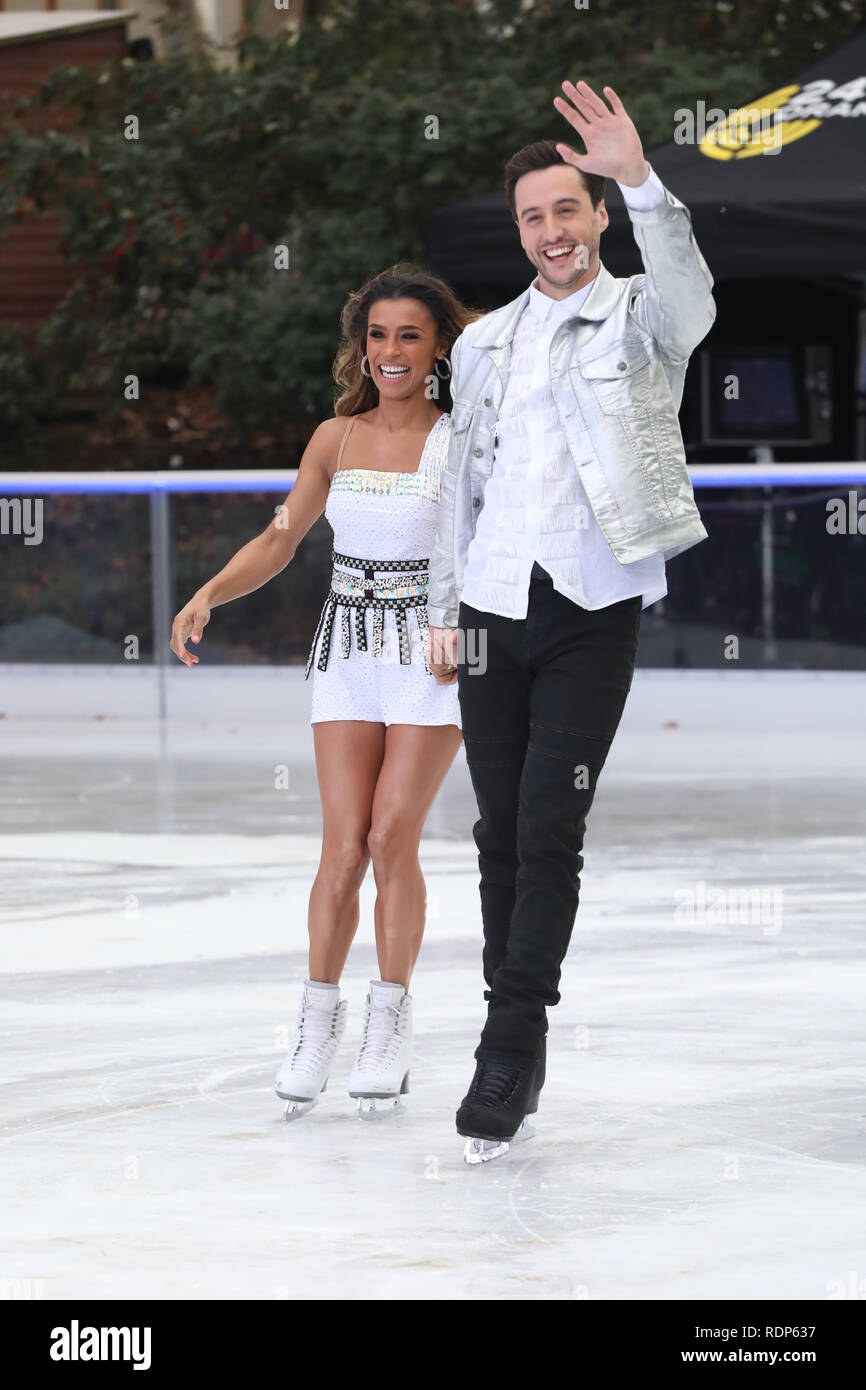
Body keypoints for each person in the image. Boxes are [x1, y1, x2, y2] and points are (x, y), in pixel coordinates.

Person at [427, 80, 715, 1162]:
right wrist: (443, 608)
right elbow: (462, 483)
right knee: (499, 830)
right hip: (494, 604)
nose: (550, 231)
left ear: (595, 215)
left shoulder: (640, 317)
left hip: (594, 603)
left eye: (566, 209)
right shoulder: (484, 342)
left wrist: (639, 173)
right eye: (531, 217)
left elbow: (692, 298)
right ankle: (519, 1035)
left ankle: (506, 1041)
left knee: (549, 822)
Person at [170, 265, 480, 1120]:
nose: (390, 352)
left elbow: (490, 551)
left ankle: (390, 1023)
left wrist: (471, 634)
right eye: (377, 335)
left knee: (390, 837)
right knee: (341, 844)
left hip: (431, 651)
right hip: (346, 647)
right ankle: (316, 1024)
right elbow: (278, 540)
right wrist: (209, 592)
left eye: (409, 335)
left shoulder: (463, 439)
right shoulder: (333, 440)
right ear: (360, 346)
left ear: (440, 347)